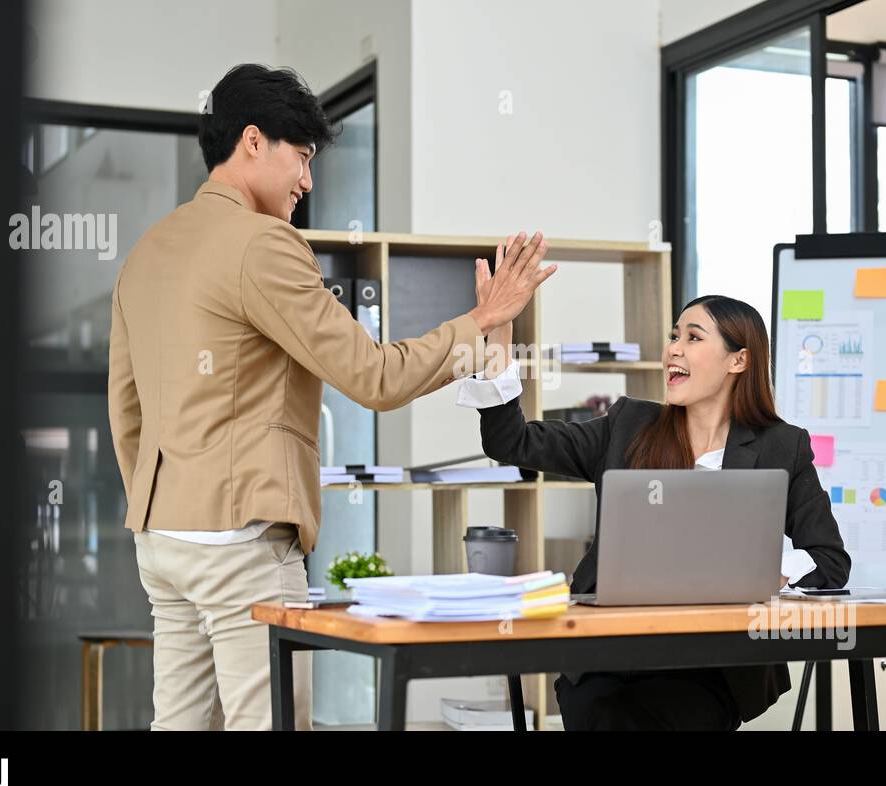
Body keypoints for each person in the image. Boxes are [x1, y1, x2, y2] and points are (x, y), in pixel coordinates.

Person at [108, 64, 556, 730]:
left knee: (177, 721)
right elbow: (374, 377)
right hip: (241, 540)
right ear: (254, 141)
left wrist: (159, 502)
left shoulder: (147, 250)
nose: (308, 182)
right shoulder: (263, 244)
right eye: (303, 156)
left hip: (161, 534)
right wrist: (482, 322)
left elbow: (126, 408)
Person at [458, 283, 849, 730]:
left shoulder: (783, 446)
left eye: (693, 338)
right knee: (606, 711)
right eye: (674, 336)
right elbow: (512, 441)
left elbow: (829, 561)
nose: (673, 350)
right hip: (607, 655)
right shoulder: (628, 425)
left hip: (708, 667)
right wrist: (500, 335)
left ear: (738, 360)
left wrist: (771, 569)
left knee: (667, 712)